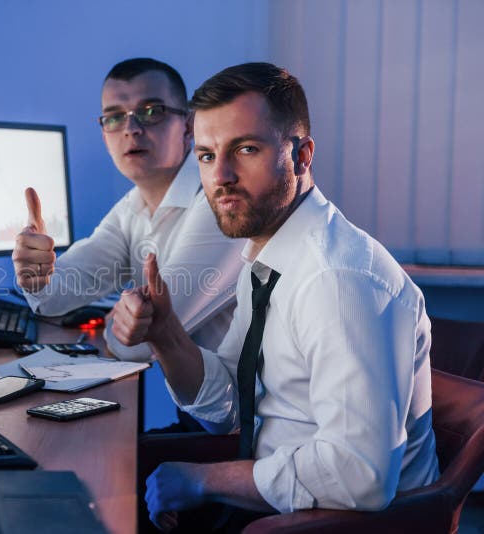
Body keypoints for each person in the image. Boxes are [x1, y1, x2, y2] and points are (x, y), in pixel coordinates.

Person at [111, 62, 439, 532]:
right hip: (276, 500)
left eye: (245, 149)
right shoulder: (268, 255)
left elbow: (360, 477)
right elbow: (230, 407)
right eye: (205, 155)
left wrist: (206, 481)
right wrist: (165, 334)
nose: (220, 176)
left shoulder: (336, 279)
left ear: (302, 155)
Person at [12, 58, 244, 365]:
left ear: (189, 126)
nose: (131, 129)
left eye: (152, 112)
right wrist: (36, 276)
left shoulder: (220, 201)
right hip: (204, 406)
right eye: (114, 117)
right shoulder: (132, 207)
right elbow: (57, 295)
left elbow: (140, 346)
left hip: (251, 411)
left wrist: (112, 324)